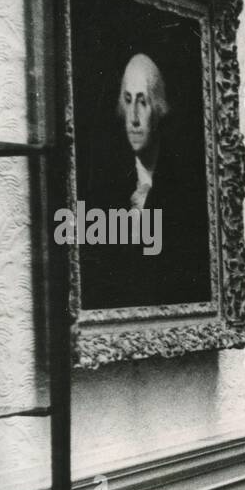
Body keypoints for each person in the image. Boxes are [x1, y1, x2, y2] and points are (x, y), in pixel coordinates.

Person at [81, 52, 211, 310]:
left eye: (143, 102)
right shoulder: (107, 185)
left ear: (158, 108)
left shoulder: (186, 185)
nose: (134, 118)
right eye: (128, 101)